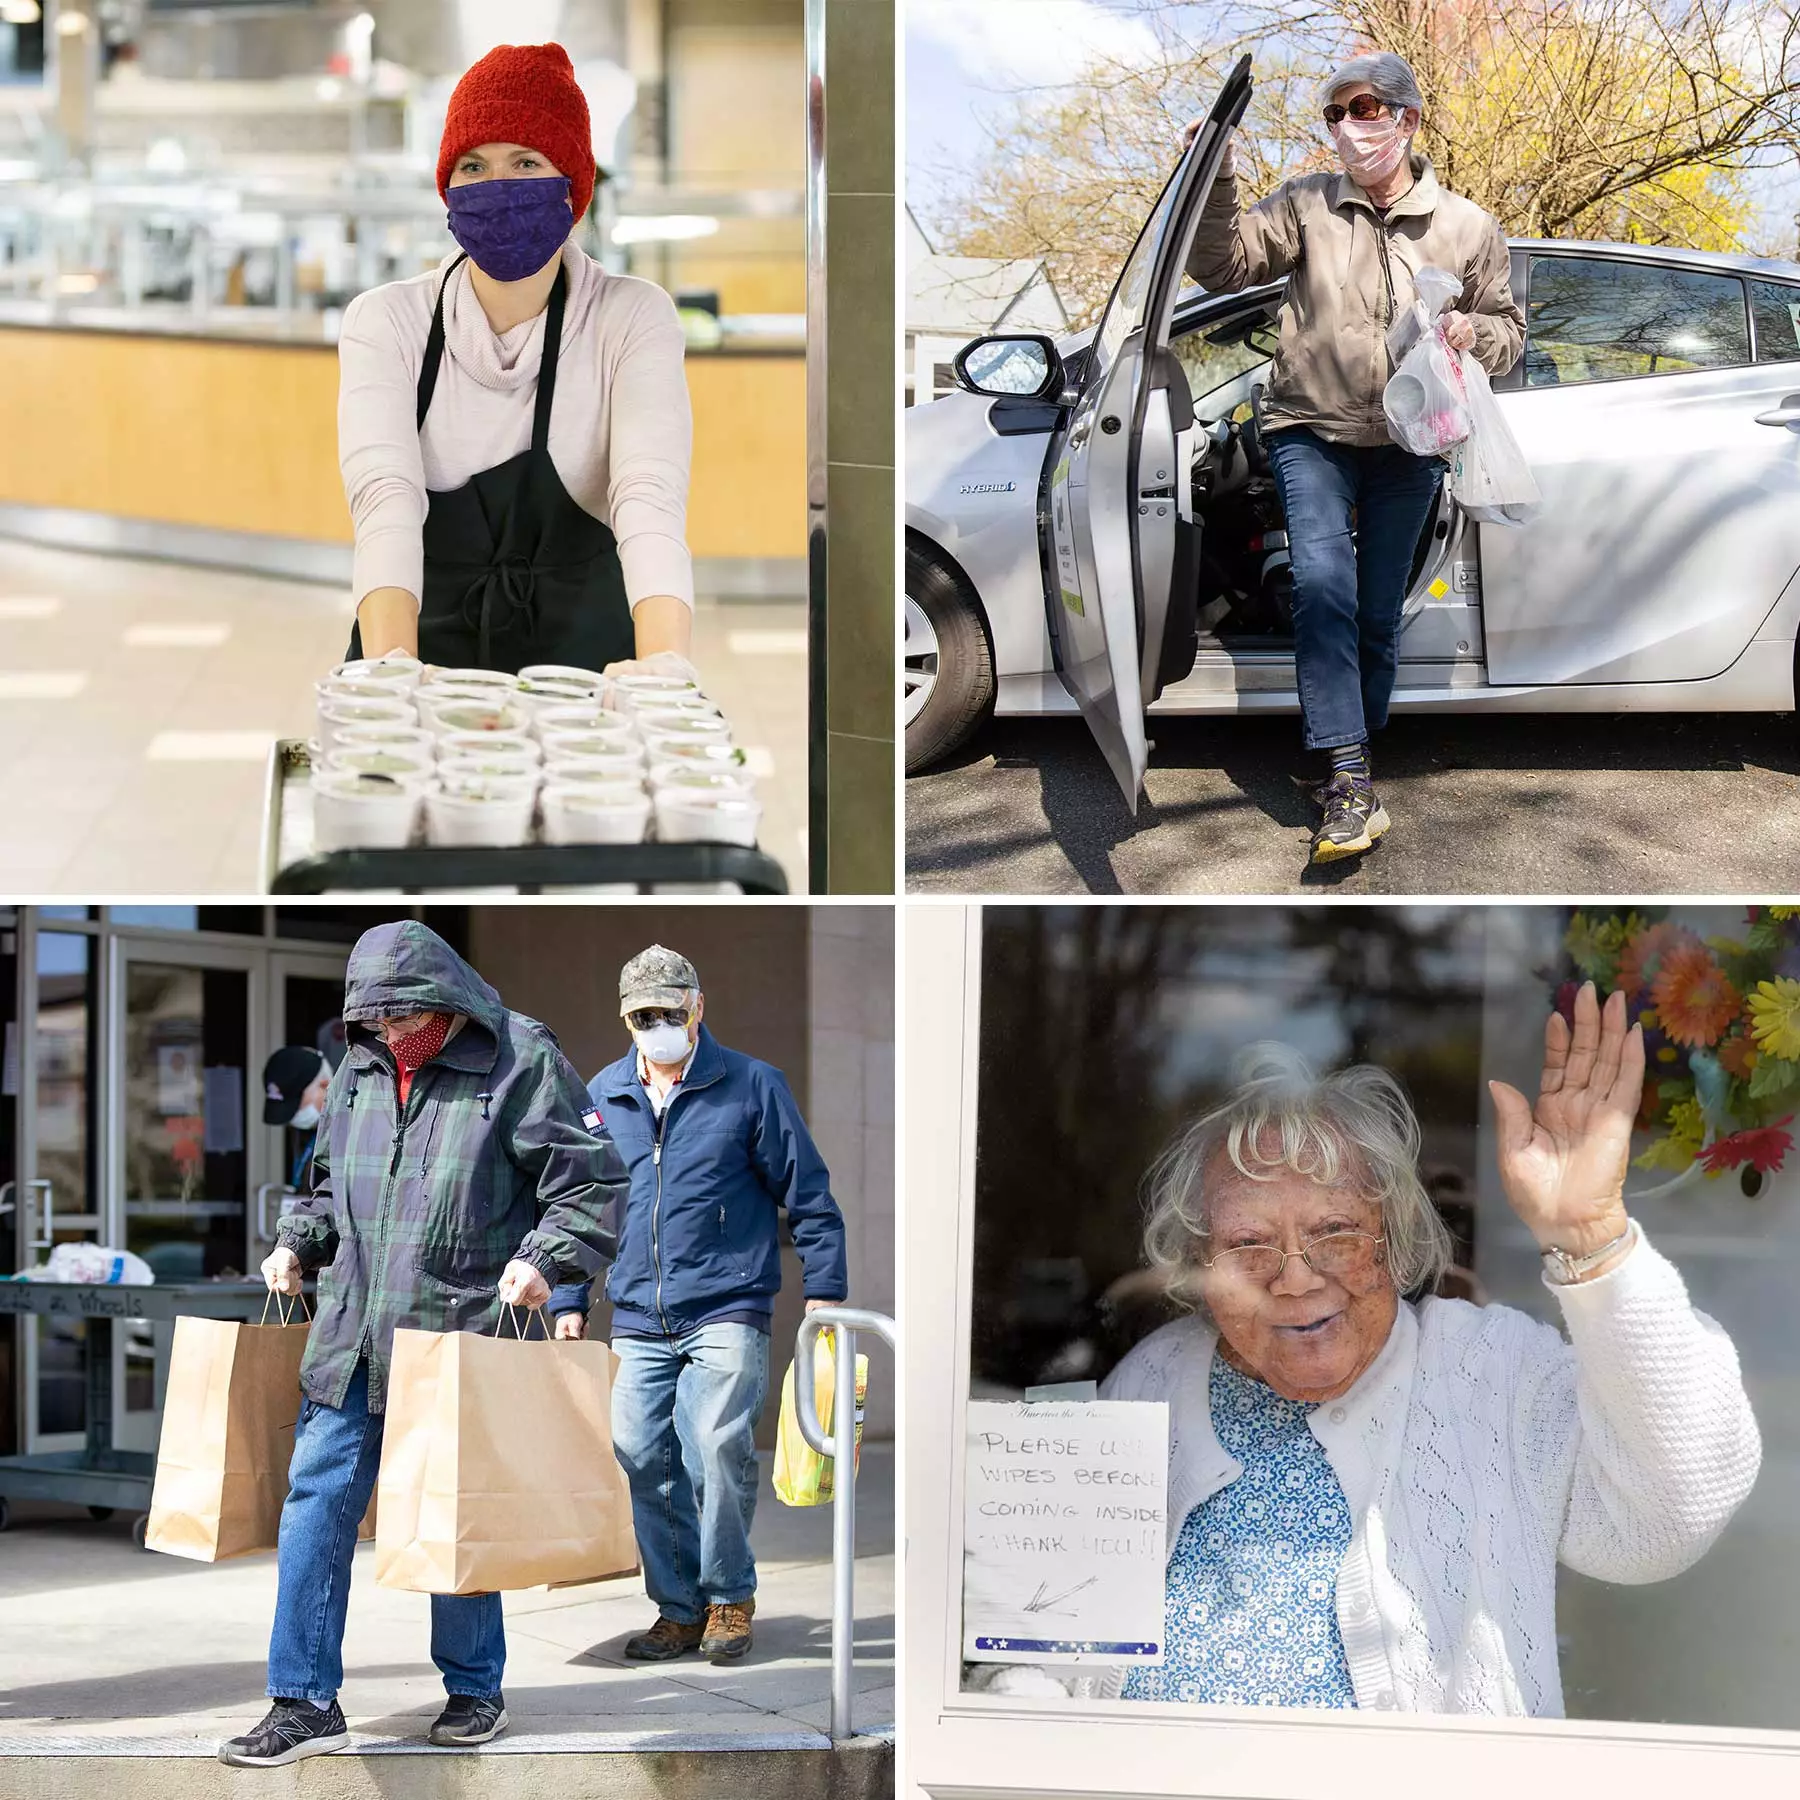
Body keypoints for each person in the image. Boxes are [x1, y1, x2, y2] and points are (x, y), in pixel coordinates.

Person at [988, 984, 1759, 1713]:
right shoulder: (1151, 1380)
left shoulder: (1489, 1372)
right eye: (1248, 1244)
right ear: (1198, 1266)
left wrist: (1593, 1240)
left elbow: (1671, 1514)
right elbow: (1043, 1640)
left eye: (1335, 1234)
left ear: (1393, 1243)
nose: (1295, 1279)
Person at [221, 921, 627, 1767]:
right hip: (350, 1336)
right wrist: (298, 1242)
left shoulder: (521, 1056)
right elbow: (330, 1183)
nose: (390, 1033)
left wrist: (543, 1260)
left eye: (403, 1016)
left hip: (458, 1333)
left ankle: (475, 1689)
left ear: (442, 997)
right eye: (373, 1020)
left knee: (453, 1509)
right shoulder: (361, 1068)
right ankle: (301, 1700)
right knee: (314, 1508)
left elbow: (590, 1180)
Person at [1182, 52, 1524, 867]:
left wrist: (1477, 334)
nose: (1347, 127)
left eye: (1364, 109)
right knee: (1323, 591)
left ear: (1406, 119)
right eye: (1335, 114)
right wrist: (1214, 178)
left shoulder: (1468, 225)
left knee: (1376, 612)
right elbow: (1222, 266)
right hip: (1309, 430)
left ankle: (1352, 752)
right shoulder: (1306, 204)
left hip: (1413, 443)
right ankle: (1346, 773)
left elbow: (1510, 335)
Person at [339, 40, 698, 684]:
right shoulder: (386, 321)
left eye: (526, 161)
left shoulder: (631, 317)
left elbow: (648, 498)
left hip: (586, 664)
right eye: (473, 167)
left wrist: (664, 668)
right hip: (420, 646)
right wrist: (391, 673)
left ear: (573, 186)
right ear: (447, 188)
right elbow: (385, 498)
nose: (498, 185)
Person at [549, 945, 849, 1664]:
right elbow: (579, 1200)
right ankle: (677, 1608)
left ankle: (727, 1599)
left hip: (727, 1302)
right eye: (643, 1016)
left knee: (714, 1446)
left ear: (697, 1008)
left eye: (669, 1012)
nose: (658, 1025)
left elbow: (807, 1193)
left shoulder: (751, 1085)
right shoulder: (605, 1095)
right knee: (640, 1454)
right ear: (625, 1020)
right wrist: (567, 1295)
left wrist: (825, 1290)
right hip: (637, 1316)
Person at [261, 1045, 331, 1194]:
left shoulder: (348, 1134)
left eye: (297, 1105)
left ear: (325, 1085)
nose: (294, 1117)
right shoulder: (302, 1132)